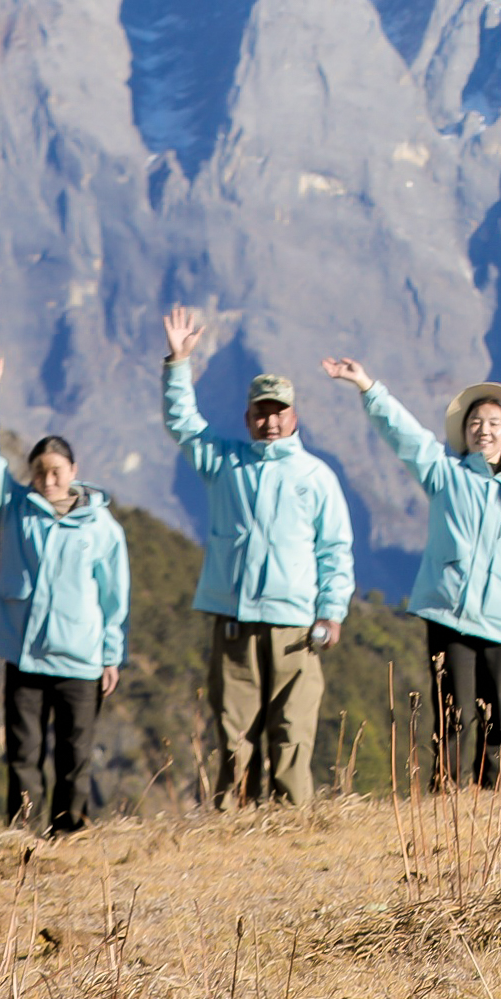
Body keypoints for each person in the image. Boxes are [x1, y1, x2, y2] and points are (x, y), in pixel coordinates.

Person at [160, 305, 354, 808]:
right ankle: (232, 827)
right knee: (234, 733)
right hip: (236, 619)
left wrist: (331, 614)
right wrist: (177, 364)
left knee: (291, 732)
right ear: (248, 416)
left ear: (294, 415)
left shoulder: (316, 479)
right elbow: (183, 424)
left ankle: (293, 827)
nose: (270, 420)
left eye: (279, 411)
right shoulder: (225, 463)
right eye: (261, 412)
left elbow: (335, 550)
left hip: (295, 626)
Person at [320, 358, 501, 788]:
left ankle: (491, 793)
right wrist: (368, 387)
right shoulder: (445, 476)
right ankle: (447, 792)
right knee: (452, 711)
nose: (484, 429)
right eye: (476, 422)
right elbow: (405, 437)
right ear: (464, 431)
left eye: (494, 423)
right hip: (451, 617)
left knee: (497, 715)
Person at [0, 344, 128, 834]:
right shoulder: (16, 508)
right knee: (23, 754)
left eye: (57, 470)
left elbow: (114, 598)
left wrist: (111, 655)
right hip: (26, 655)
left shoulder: (102, 529)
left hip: (79, 660)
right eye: (40, 471)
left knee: (75, 755)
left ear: (74, 473)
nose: (48, 478)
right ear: (31, 475)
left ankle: (69, 834)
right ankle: (22, 837)